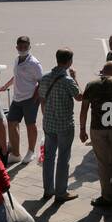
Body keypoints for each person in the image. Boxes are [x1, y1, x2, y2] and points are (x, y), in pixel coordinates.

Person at [80, 60, 112, 209]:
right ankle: (111, 186)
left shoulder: (91, 85)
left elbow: (84, 109)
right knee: (111, 159)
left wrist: (82, 129)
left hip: (97, 128)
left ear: (102, 71)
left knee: (102, 163)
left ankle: (106, 197)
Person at [39, 48, 81, 202]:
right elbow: (79, 97)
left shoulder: (44, 78)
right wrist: (75, 77)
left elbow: (42, 100)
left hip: (48, 124)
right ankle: (61, 192)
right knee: (63, 158)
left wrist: (47, 116)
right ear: (69, 62)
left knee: (49, 157)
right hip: (64, 125)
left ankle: (48, 190)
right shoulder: (67, 80)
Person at [0, 36, 44, 163]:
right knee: (11, 123)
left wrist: (35, 98)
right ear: (16, 47)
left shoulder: (34, 63)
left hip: (30, 98)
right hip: (17, 98)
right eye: (20, 47)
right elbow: (16, 76)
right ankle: (16, 153)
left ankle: (31, 152)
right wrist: (5, 86)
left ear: (29, 47)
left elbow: (41, 82)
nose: (23, 49)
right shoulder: (17, 59)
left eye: (25, 47)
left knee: (30, 125)